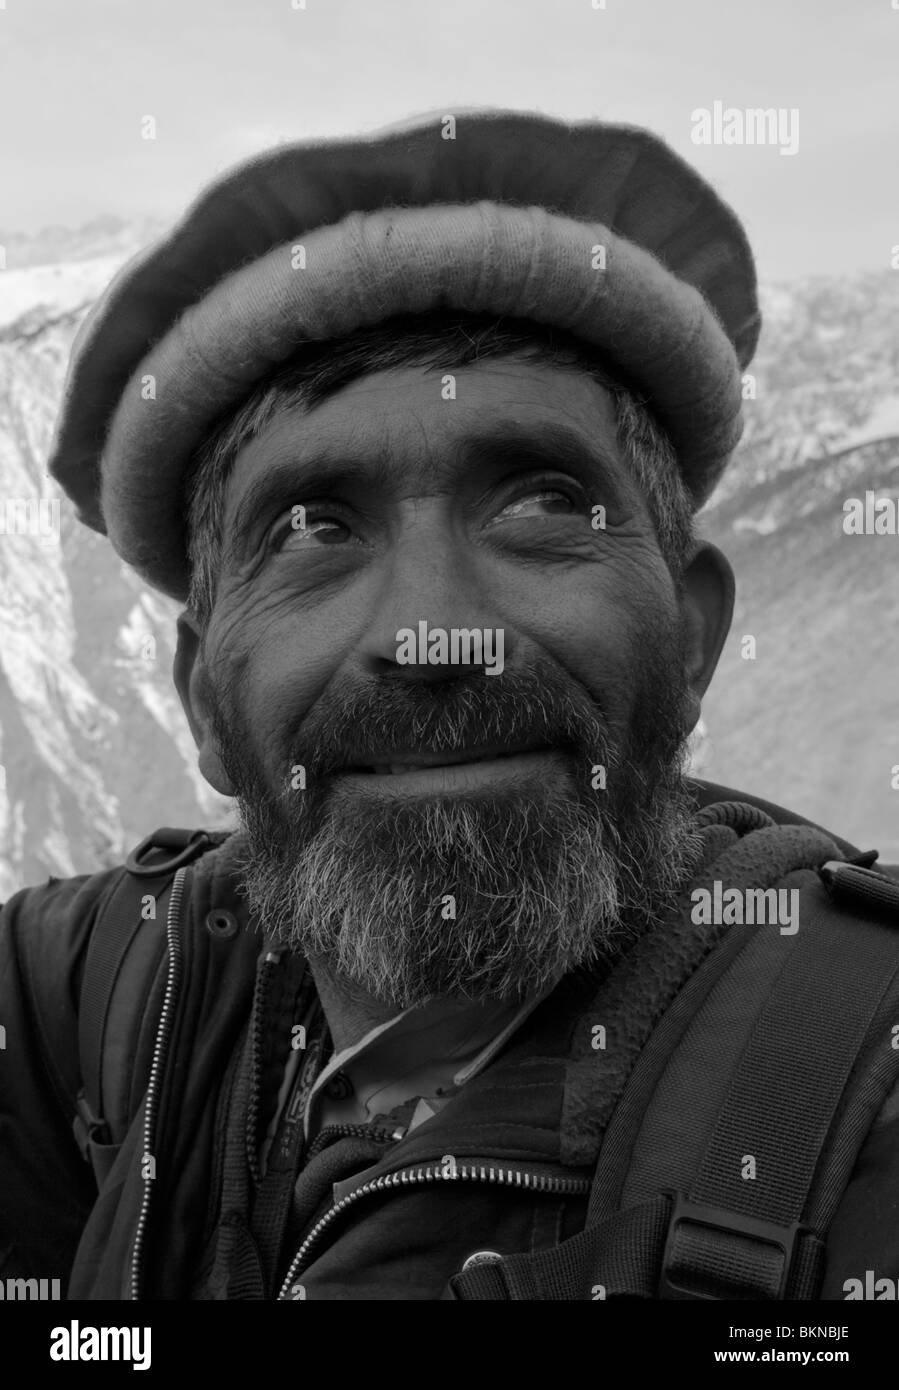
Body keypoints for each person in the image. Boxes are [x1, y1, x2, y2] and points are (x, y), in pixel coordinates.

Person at [2, 109, 897, 1302]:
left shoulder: (857, 1095)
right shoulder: (117, 996)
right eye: (313, 528)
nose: (433, 631)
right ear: (202, 700)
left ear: (689, 636)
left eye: (536, 503)